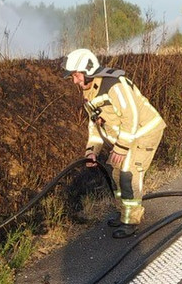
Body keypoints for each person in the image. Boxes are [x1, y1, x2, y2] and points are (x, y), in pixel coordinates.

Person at [63, 48, 165, 238]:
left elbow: (131, 117)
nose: (74, 81)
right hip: (128, 137)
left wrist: (121, 147)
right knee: (115, 172)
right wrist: (91, 151)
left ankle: (131, 220)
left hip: (144, 132)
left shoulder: (114, 85)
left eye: (76, 76)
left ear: (87, 70)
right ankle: (124, 213)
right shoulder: (90, 92)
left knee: (128, 174)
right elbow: (95, 125)